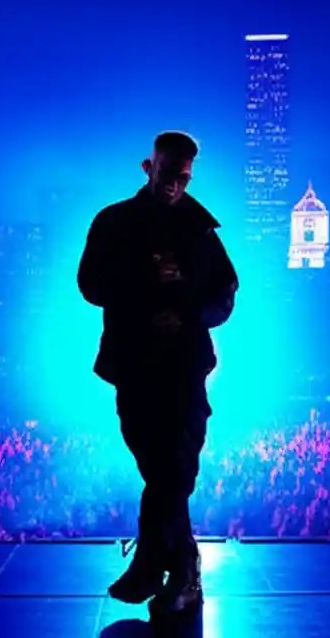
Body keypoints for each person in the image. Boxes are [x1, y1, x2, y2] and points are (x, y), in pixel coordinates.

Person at [77, 131, 238, 613]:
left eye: (184, 178)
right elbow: (89, 283)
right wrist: (146, 285)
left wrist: (185, 305)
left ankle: (159, 564)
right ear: (149, 167)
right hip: (134, 363)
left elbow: (225, 295)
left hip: (184, 366)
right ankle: (179, 568)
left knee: (174, 465)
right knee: (162, 465)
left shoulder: (200, 230)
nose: (175, 185)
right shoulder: (113, 223)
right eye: (168, 174)